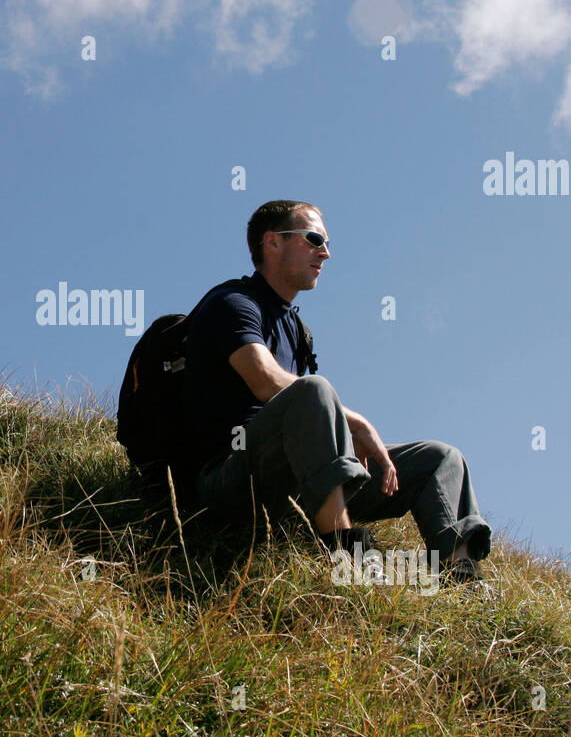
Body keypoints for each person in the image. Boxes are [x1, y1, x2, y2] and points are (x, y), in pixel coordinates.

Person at [179, 200, 493, 586]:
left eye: (326, 243)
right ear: (272, 242)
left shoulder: (297, 328)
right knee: (315, 390)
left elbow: (307, 410)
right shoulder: (232, 304)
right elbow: (264, 379)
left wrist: (336, 435)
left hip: (295, 483)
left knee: (442, 457)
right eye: (313, 239)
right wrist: (352, 420)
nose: (325, 252)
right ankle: (350, 557)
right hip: (227, 481)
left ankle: (462, 575)